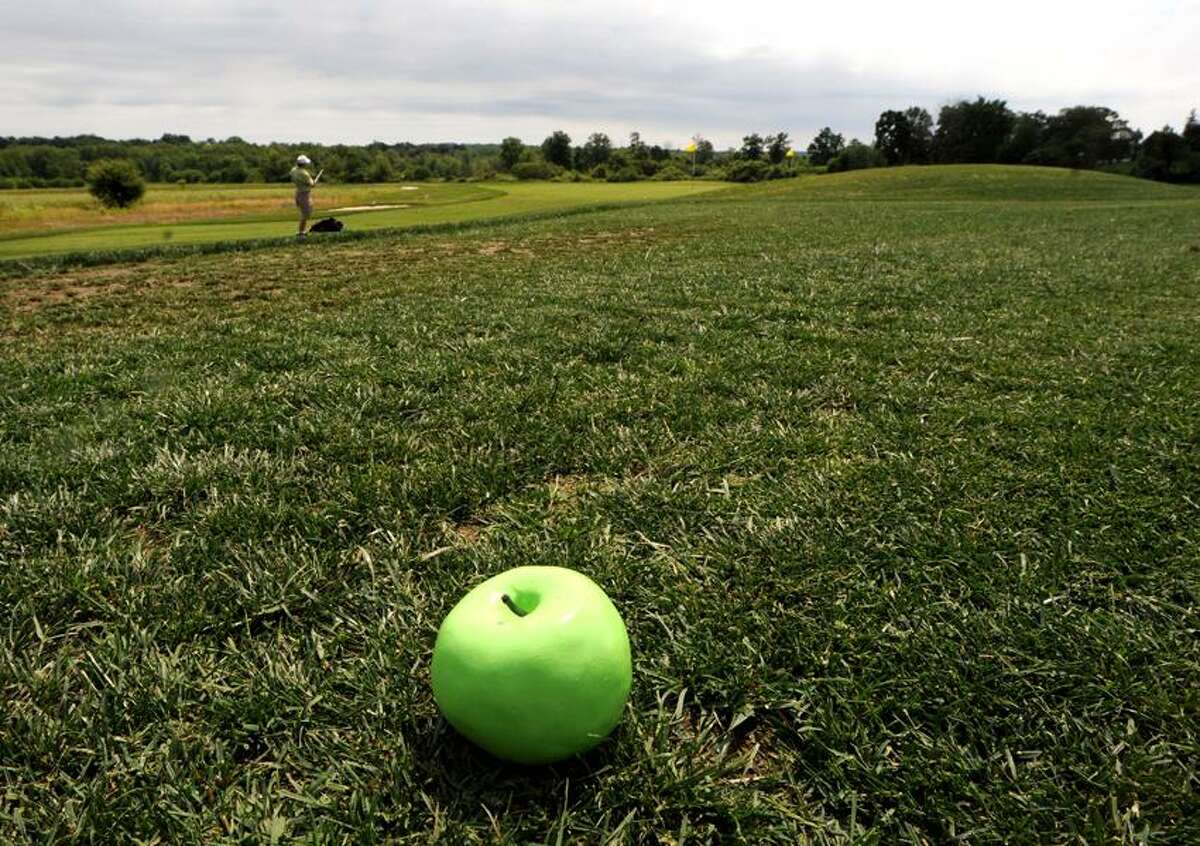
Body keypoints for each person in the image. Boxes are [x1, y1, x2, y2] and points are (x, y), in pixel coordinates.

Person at [289, 154, 316, 236]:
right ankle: (301, 232)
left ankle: (302, 231)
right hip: (304, 194)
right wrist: (313, 183)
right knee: (306, 213)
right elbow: (312, 184)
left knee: (306, 211)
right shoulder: (304, 173)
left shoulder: (293, 170)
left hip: (298, 192)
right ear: (304, 164)